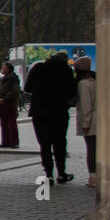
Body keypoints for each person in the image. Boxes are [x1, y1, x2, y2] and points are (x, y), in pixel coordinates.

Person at [25, 51, 77, 184]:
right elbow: (72, 92)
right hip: (59, 112)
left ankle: (48, 174)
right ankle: (61, 173)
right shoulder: (66, 70)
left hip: (39, 112)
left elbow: (27, 88)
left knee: (45, 144)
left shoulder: (38, 68)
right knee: (60, 143)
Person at [74, 56, 97, 188]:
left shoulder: (83, 84)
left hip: (91, 123)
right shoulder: (94, 82)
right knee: (96, 149)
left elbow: (86, 106)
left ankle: (93, 177)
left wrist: (85, 124)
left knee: (91, 149)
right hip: (98, 120)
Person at [0, 62, 21, 148]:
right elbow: (0, 90)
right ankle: (5, 141)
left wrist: (4, 99)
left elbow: (14, 91)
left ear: (8, 69)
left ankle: (14, 142)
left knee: (11, 124)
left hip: (9, 104)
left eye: (3, 67)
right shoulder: (5, 78)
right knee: (4, 124)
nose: (2, 68)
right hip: (3, 105)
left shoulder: (13, 78)